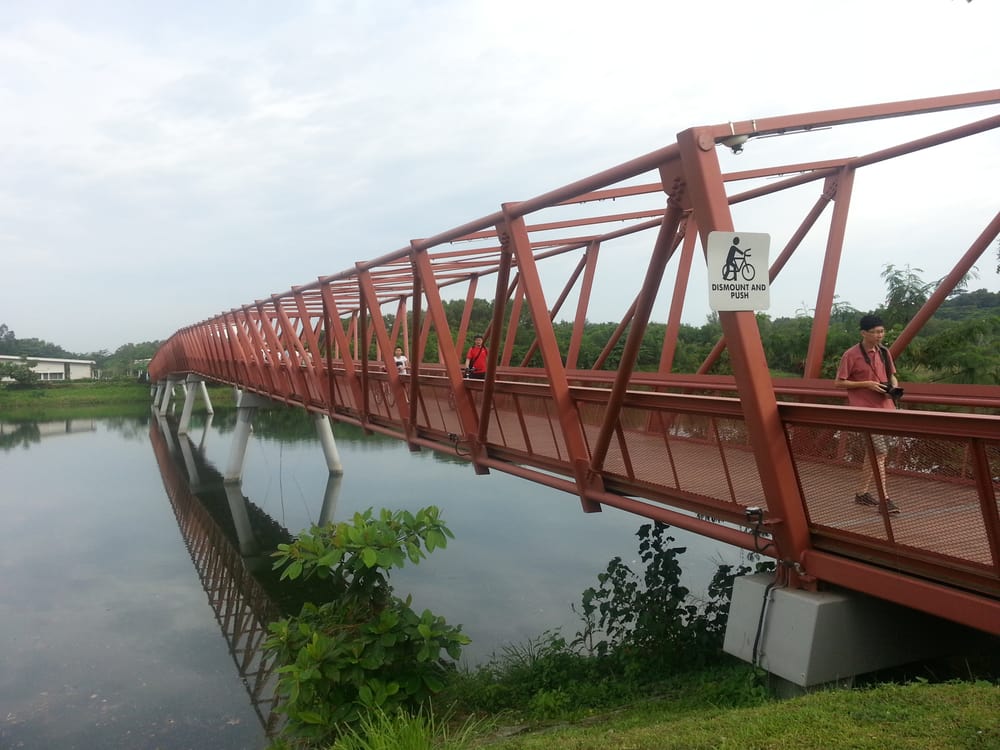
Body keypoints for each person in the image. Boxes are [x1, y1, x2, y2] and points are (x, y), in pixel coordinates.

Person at [834, 314, 901, 514]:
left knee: (876, 453)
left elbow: (892, 376)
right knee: (879, 453)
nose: (880, 335)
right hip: (865, 411)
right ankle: (885, 500)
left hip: (886, 409)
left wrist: (893, 387)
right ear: (863, 333)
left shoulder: (884, 352)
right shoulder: (851, 355)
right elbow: (839, 383)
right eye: (875, 332)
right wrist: (867, 384)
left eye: (882, 331)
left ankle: (861, 493)